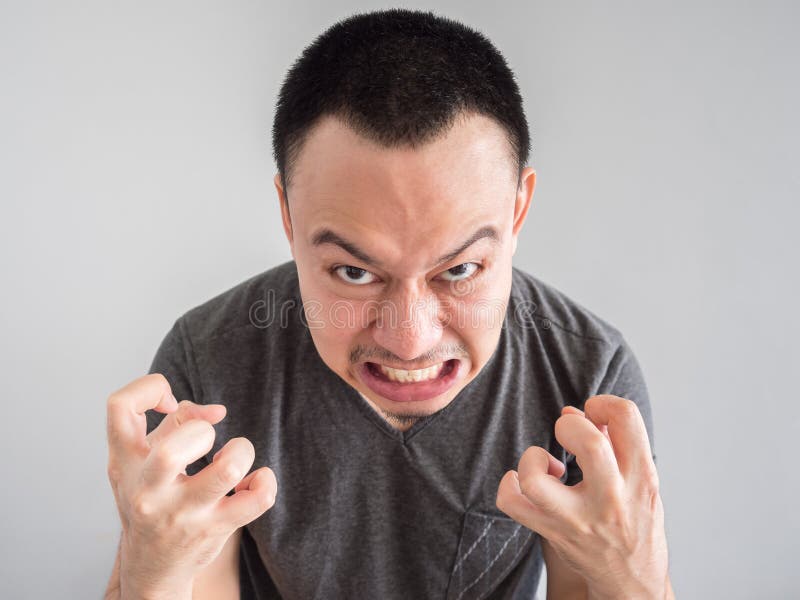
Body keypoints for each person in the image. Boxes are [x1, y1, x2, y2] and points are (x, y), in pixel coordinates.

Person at [105, 8, 673, 599]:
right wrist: (152, 576)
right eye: (354, 272)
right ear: (288, 216)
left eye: (459, 270)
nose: (410, 340)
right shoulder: (207, 366)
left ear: (517, 212)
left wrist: (634, 582)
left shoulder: (586, 379)